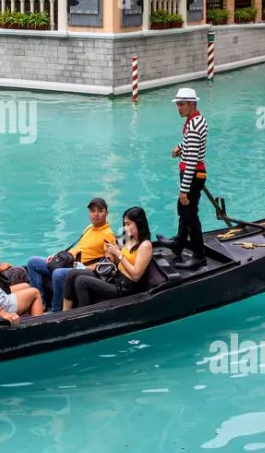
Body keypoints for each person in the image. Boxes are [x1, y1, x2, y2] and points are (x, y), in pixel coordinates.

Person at [25, 198, 116, 313]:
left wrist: (88, 268)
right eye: (93, 211)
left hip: (83, 269)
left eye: (100, 211)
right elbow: (78, 248)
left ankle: (56, 310)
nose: (96, 214)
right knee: (32, 262)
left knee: (58, 274)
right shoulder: (89, 228)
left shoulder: (108, 234)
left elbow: (109, 263)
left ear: (107, 213)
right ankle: (40, 303)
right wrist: (56, 256)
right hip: (70, 262)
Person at [156, 87, 208, 269]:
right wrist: (180, 147)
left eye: (182, 104)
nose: (178, 108)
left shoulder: (193, 126)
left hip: (192, 176)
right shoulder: (197, 120)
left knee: (190, 216)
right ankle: (178, 243)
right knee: (184, 211)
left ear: (192, 104)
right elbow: (190, 142)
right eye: (177, 104)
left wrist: (184, 190)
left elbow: (192, 160)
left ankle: (199, 256)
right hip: (194, 175)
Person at [63, 207, 154, 309]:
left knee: (82, 281)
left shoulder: (145, 245)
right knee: (72, 274)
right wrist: (111, 254)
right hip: (113, 275)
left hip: (125, 286)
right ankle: (65, 312)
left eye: (128, 224)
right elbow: (115, 260)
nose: (125, 228)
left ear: (139, 223)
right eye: (124, 224)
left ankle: (83, 314)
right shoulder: (127, 237)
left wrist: (119, 255)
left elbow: (136, 276)